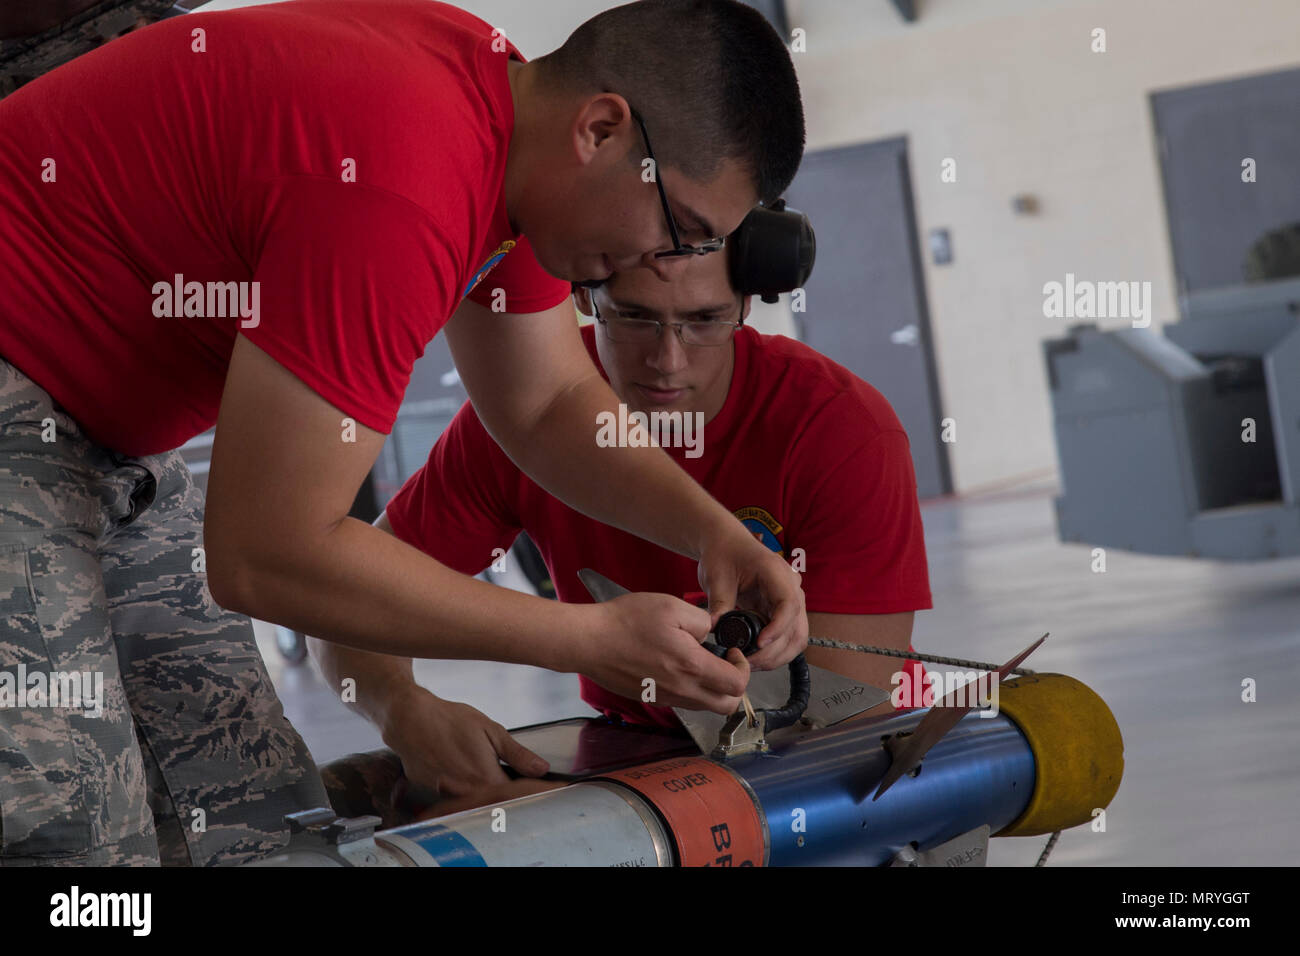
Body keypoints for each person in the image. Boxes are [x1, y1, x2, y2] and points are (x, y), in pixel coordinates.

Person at [0, 0, 807, 865]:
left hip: (107, 434)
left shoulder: (515, 124)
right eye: (677, 229)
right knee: (75, 839)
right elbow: (265, 554)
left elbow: (544, 403)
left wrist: (713, 533)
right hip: (21, 389)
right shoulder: (402, 184)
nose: (659, 263)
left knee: (255, 817)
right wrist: (589, 638)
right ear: (601, 129)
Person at [313, 242, 932, 821]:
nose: (667, 359)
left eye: (704, 319)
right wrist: (399, 707)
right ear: (583, 297)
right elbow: (336, 594)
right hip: (630, 754)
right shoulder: (517, 418)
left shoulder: (839, 429)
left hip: (840, 781)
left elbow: (846, 728)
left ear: (747, 304)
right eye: (633, 318)